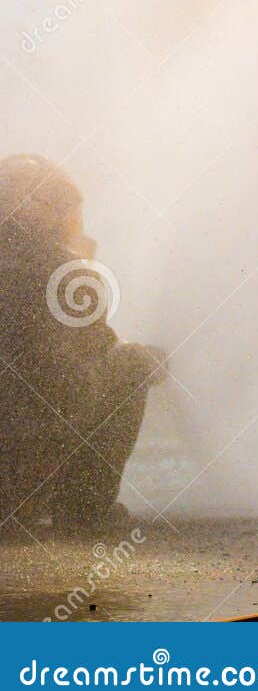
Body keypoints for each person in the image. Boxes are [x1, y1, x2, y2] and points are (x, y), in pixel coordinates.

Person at [0, 155, 165, 535]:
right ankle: (85, 509)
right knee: (132, 362)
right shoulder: (64, 269)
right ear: (54, 211)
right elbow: (93, 355)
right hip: (23, 469)